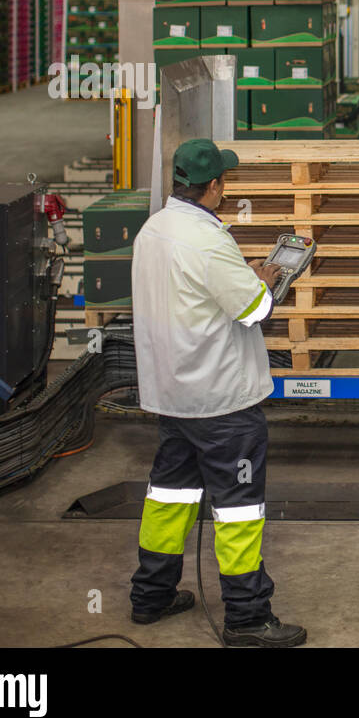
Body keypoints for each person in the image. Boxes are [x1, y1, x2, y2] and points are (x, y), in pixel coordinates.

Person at [127, 138, 306, 647]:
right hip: (222, 403)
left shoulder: (154, 230)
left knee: (169, 496)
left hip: (172, 397)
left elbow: (191, 295)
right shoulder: (208, 240)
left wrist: (238, 280)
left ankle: (151, 596)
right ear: (212, 187)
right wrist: (265, 279)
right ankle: (248, 618)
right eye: (223, 183)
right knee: (238, 509)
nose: (225, 191)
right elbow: (254, 311)